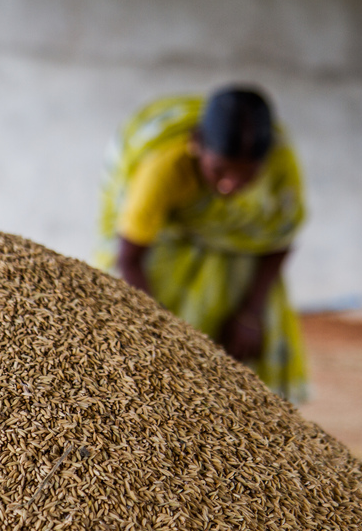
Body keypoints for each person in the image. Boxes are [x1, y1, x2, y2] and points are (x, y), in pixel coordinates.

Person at [94, 84, 309, 402]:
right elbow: (129, 258)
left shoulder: (281, 166)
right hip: (162, 260)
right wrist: (159, 327)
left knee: (242, 366)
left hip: (241, 258)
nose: (230, 186)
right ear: (196, 144)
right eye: (218, 170)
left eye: (247, 175)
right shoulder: (164, 168)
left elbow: (280, 238)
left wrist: (251, 312)